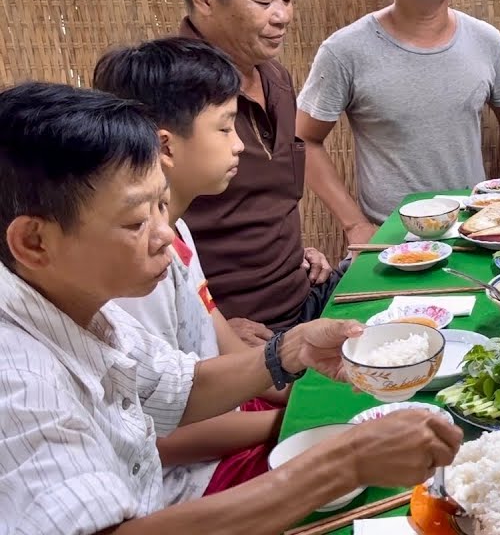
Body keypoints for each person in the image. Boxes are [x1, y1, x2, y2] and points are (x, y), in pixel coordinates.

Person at [0, 82, 463, 535]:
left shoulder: (81, 305)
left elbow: (179, 388)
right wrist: (347, 461)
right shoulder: (20, 381)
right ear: (34, 242)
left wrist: (290, 349)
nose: (164, 235)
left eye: (162, 207)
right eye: (136, 221)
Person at [93, 37, 295, 501]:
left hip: (230, 415)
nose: (239, 145)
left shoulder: (176, 228)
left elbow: (219, 335)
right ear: (165, 144)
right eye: (224, 128)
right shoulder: (134, 270)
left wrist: (297, 386)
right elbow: (161, 440)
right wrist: (292, 419)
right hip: (194, 478)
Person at [297, 0, 500, 246]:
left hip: (474, 234)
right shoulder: (345, 50)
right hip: (392, 242)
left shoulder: (486, 41)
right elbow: (303, 139)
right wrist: (354, 225)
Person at [174, 0, 336, 344]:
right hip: (246, 335)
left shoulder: (274, 77)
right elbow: (138, 234)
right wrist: (211, 325)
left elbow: (265, 202)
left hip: (306, 295)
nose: (282, 16)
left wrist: (294, 255)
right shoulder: (168, 94)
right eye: (265, 1)